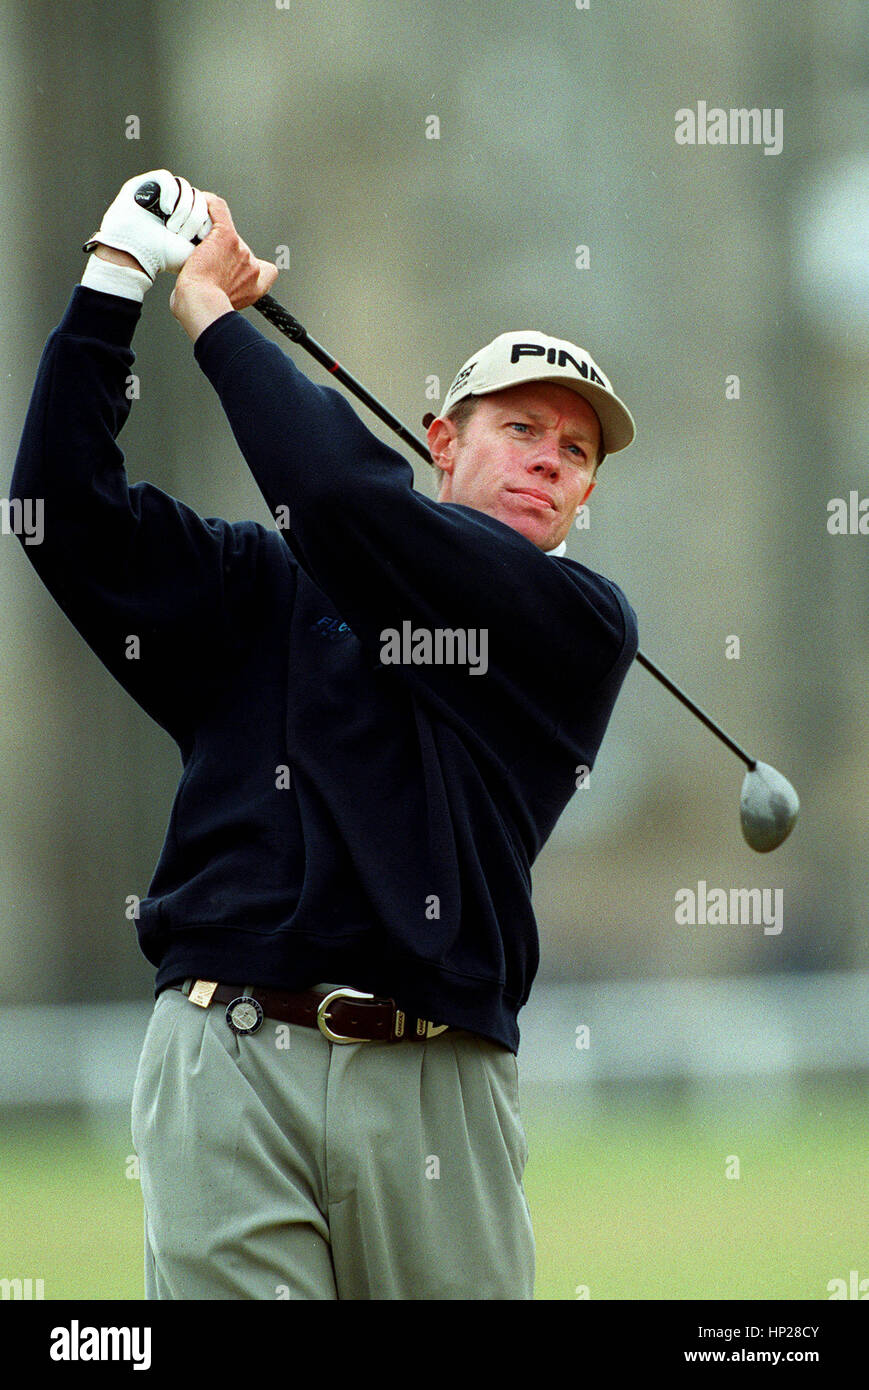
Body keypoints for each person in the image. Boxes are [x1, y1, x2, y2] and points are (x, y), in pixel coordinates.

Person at [11, 170, 639, 1301]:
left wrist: (210, 315)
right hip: (229, 1055)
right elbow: (59, 511)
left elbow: (348, 504)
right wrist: (114, 279)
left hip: (434, 1084)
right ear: (442, 441)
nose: (551, 458)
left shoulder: (575, 627)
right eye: (522, 427)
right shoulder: (264, 589)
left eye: (576, 452)